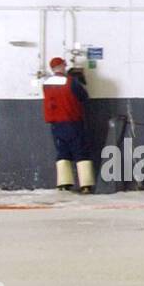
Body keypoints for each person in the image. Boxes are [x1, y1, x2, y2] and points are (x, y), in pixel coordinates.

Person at [42, 57, 95, 193]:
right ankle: (85, 185)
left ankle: (64, 184)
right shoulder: (71, 82)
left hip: (55, 125)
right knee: (80, 151)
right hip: (72, 122)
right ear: (62, 66)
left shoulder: (46, 84)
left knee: (62, 152)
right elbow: (83, 97)